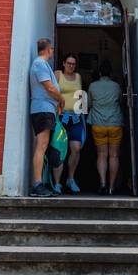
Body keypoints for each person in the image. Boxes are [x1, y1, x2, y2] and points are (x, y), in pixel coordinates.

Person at [29, 37, 64, 197]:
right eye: (52, 49)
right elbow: (49, 87)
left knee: (43, 146)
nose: (52, 52)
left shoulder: (42, 64)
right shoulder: (40, 64)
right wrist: (61, 99)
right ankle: (37, 184)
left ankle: (41, 183)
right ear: (48, 49)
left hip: (46, 110)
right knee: (41, 146)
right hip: (42, 110)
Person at [87, 57, 123, 195]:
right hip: (115, 123)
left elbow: (89, 104)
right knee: (114, 156)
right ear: (111, 73)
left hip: (98, 123)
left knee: (101, 155)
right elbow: (120, 101)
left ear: (100, 73)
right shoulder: (116, 86)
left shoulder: (92, 86)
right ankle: (111, 187)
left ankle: (102, 183)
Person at [56, 54, 87, 194]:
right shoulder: (58, 75)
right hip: (61, 117)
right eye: (69, 63)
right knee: (59, 149)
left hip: (76, 118)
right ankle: (57, 183)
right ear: (63, 63)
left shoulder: (78, 77)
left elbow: (81, 95)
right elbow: (52, 92)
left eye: (73, 64)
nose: (71, 66)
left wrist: (83, 112)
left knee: (76, 148)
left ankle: (70, 178)